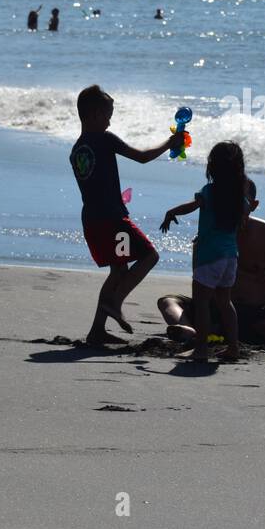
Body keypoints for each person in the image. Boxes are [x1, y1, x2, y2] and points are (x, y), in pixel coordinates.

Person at [69, 85, 184, 345]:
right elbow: (141, 157)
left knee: (118, 269)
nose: (110, 122)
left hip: (92, 220)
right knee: (150, 256)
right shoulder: (105, 139)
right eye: (108, 115)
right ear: (95, 114)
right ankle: (116, 301)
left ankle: (97, 330)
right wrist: (170, 143)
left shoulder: (76, 150)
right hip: (112, 219)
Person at [158, 178, 265, 350]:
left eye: (239, 201)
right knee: (168, 302)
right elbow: (200, 279)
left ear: (253, 205)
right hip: (214, 310)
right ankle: (191, 329)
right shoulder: (210, 233)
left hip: (253, 314)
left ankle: (220, 331)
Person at [160, 142, 249, 363]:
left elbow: (192, 205)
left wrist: (171, 211)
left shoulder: (209, 191)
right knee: (225, 302)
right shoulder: (241, 198)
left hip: (209, 256)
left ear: (212, 167)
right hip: (230, 257)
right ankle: (233, 347)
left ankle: (200, 349)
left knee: (201, 304)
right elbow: (242, 222)